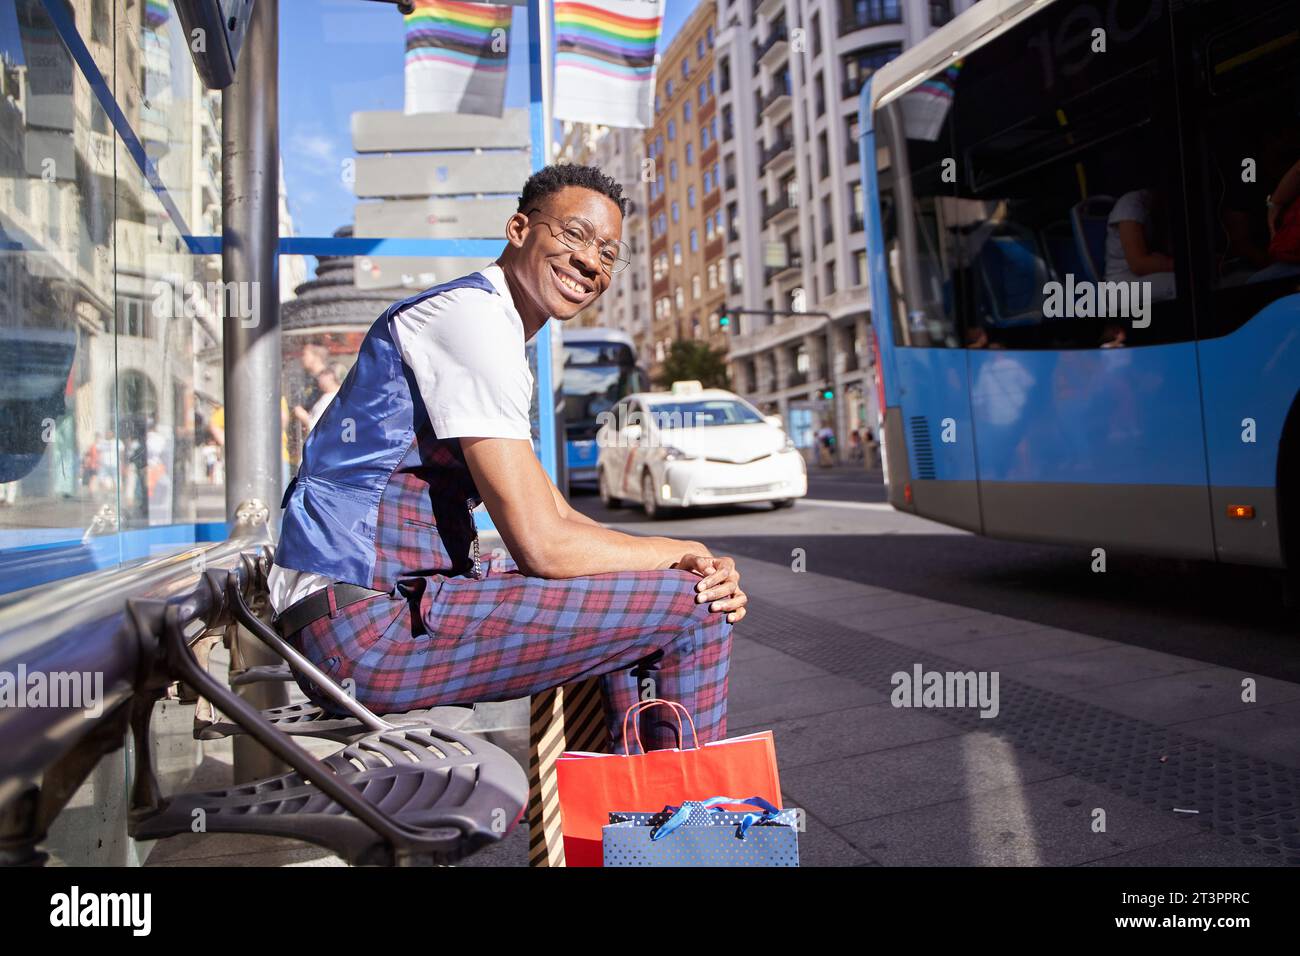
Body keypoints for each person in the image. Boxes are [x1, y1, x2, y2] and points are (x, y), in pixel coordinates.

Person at [268, 164, 745, 754]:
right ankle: (678, 824)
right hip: (360, 632)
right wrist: (688, 555)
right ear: (519, 228)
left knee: (660, 590)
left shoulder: (493, 329)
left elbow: (562, 517)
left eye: (607, 251)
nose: (590, 261)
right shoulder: (472, 320)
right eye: (572, 234)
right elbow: (542, 545)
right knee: (694, 610)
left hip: (367, 613)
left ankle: (635, 818)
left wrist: (673, 561)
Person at [1105, 188, 1176, 302]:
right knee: (1179, 283)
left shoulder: (1159, 205)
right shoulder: (1131, 204)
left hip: (1146, 277)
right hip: (1122, 283)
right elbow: (1139, 265)